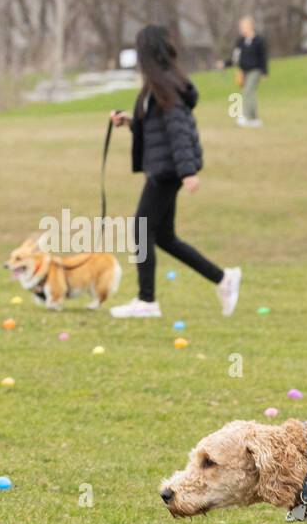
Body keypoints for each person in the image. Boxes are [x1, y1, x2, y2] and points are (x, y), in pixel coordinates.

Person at [109, 24, 241, 319]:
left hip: (167, 171)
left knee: (141, 230)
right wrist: (130, 121)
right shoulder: (159, 84)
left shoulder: (164, 85)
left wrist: (187, 172)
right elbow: (158, 126)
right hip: (163, 168)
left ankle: (147, 301)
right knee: (164, 237)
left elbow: (179, 131)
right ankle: (224, 279)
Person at [229, 16, 268, 127]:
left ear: (250, 26)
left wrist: (265, 72)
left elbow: (263, 57)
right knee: (250, 94)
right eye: (241, 27)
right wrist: (226, 63)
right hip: (243, 71)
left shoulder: (259, 40)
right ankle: (255, 119)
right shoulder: (240, 41)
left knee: (248, 91)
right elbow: (235, 57)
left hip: (255, 70)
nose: (242, 29)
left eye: (244, 26)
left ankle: (245, 116)